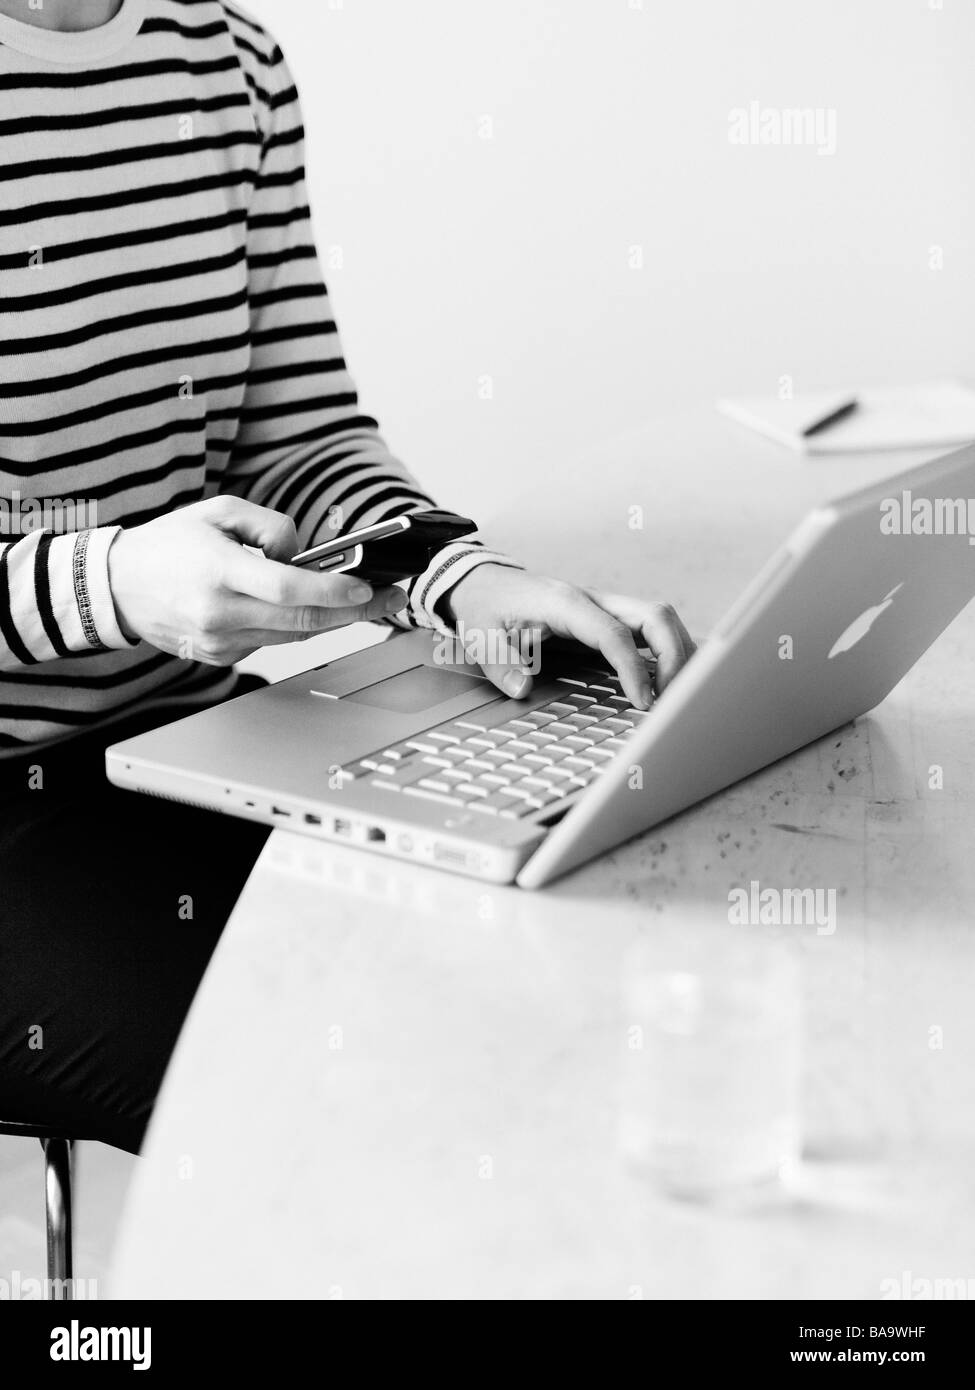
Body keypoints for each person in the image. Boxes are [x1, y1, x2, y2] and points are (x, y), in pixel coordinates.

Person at [0, 0, 695, 1154]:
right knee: (353, 1110)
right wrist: (111, 583)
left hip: (185, 752)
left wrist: (452, 573)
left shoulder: (227, 62)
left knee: (559, 983)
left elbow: (297, 434)